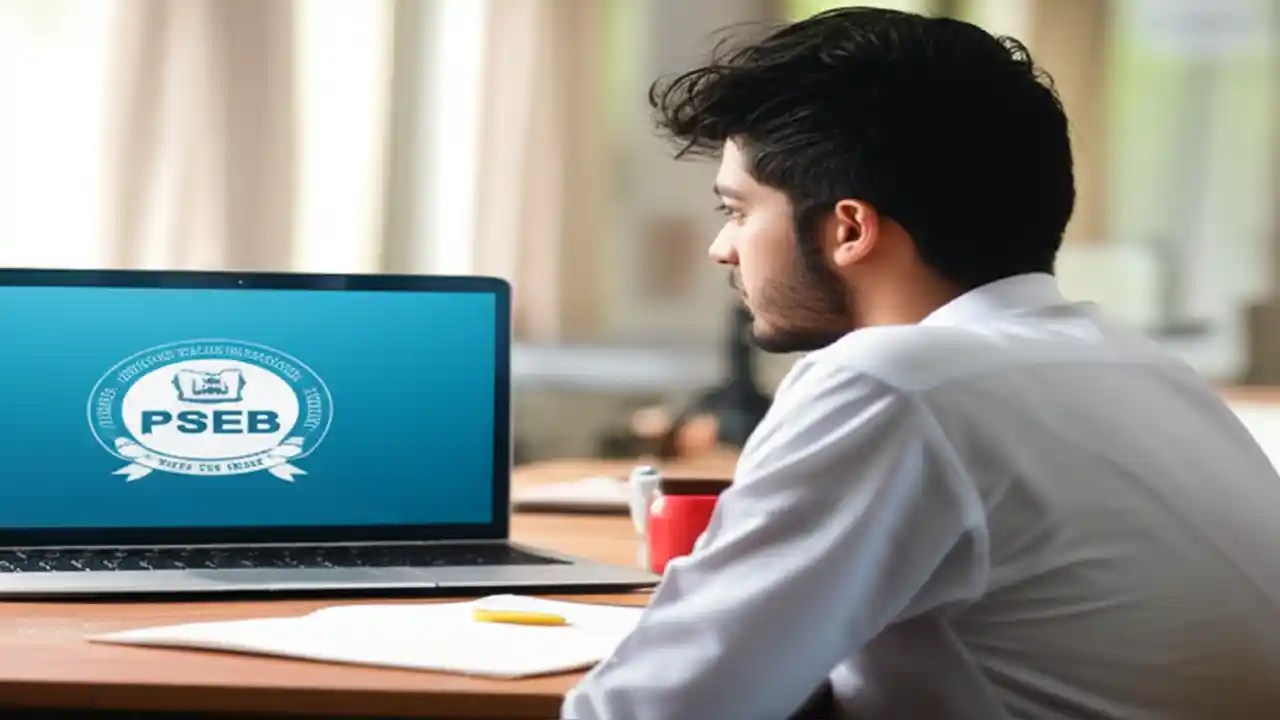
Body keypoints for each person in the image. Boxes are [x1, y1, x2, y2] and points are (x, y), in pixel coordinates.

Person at [561, 7, 1280, 720]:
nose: (722, 248)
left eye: (740, 211)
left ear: (850, 228)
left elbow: (656, 709)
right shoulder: (1147, 371)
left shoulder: (890, 383)